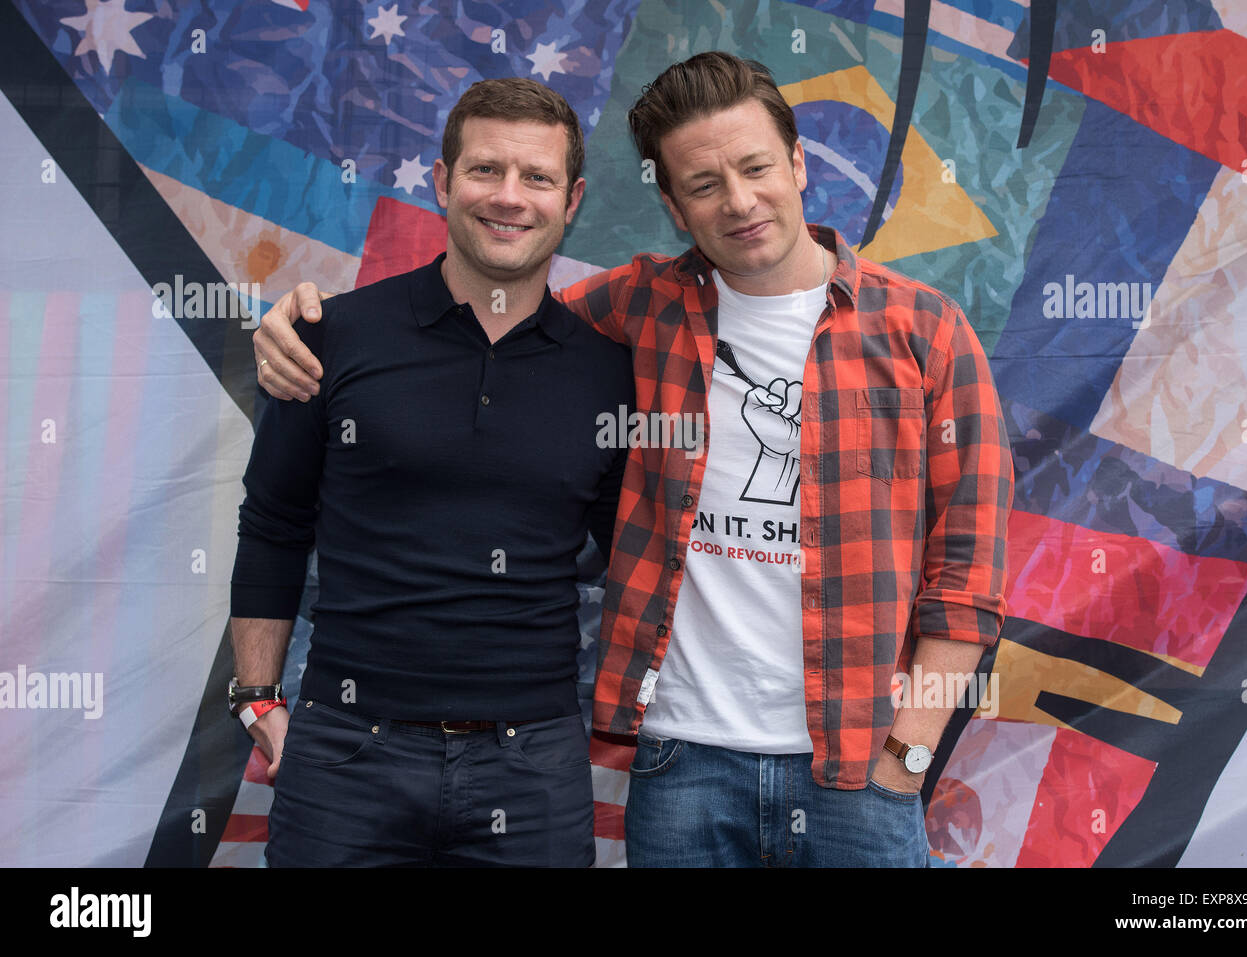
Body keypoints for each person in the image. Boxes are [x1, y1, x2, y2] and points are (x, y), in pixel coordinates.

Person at [253, 52, 1014, 867]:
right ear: (672, 204)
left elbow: (968, 574)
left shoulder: (924, 332)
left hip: (859, 770)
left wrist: (908, 757)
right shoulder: (638, 308)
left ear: (797, 162)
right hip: (681, 763)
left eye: (757, 167)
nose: (740, 201)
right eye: (703, 184)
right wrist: (308, 323)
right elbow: (482, 314)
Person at [230, 77, 633, 867]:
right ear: (443, 182)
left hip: (534, 766)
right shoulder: (329, 336)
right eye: (485, 170)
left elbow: (642, 553)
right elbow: (273, 522)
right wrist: (256, 696)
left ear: (572, 198)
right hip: (345, 753)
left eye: (537, 177)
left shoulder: (611, 375)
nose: (510, 197)